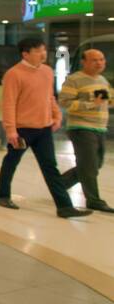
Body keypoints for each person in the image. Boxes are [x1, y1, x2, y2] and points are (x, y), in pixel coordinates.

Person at [0, 37, 90, 218]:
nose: (43, 54)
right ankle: (3, 195)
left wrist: (56, 115)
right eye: (38, 51)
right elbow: (9, 104)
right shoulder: (14, 74)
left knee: (50, 166)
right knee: (11, 162)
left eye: (44, 50)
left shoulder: (46, 71)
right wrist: (11, 130)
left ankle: (64, 206)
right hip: (22, 129)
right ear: (25, 54)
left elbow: (49, 97)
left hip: (43, 128)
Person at [59, 47, 112, 214]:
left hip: (100, 127)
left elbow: (105, 101)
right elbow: (65, 103)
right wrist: (91, 104)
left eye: (102, 59)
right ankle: (94, 200)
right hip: (81, 127)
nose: (99, 63)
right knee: (89, 165)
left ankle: (58, 185)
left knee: (95, 164)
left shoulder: (103, 80)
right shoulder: (74, 80)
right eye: (95, 60)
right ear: (84, 62)